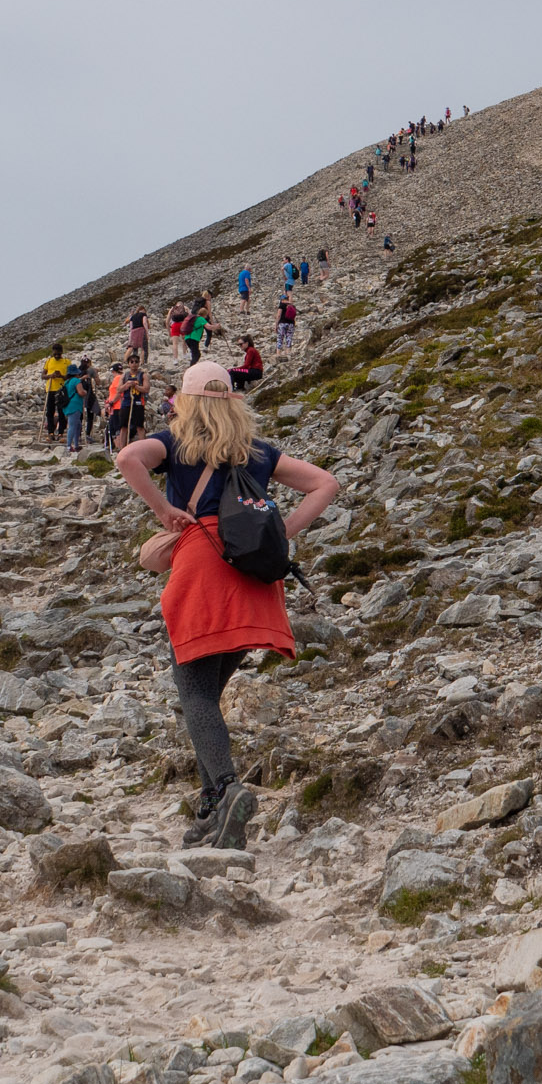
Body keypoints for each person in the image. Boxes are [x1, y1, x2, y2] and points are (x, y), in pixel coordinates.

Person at [114, 361, 340, 848]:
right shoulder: (257, 452)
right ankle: (214, 811)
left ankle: (226, 788)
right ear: (234, 402)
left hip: (205, 568)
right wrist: (284, 531)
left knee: (192, 690)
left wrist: (163, 509)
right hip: (255, 578)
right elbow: (326, 483)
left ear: (186, 403)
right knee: (206, 697)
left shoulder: (175, 443)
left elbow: (128, 457)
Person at [41, 343, 71, 439]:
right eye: (55, 354)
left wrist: (61, 376)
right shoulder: (49, 361)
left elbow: (70, 376)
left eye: (59, 354)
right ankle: (50, 432)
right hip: (50, 389)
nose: (57, 355)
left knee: (62, 412)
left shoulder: (67, 362)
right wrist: (51, 376)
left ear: (62, 352)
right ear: (53, 352)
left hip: (62, 389)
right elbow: (43, 376)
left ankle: (61, 432)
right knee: (50, 411)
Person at [105, 364, 128, 452]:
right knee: (112, 427)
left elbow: (119, 393)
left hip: (117, 406)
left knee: (116, 428)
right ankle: (115, 446)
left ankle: (119, 447)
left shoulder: (118, 379)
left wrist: (111, 402)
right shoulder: (122, 378)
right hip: (115, 406)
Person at [64, 369, 88, 453]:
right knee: (73, 426)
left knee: (77, 425)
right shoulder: (76, 380)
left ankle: (76, 445)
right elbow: (81, 392)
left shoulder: (67, 382)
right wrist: (85, 392)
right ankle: (69, 446)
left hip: (68, 406)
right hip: (75, 405)